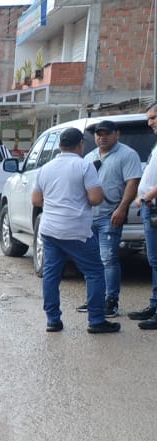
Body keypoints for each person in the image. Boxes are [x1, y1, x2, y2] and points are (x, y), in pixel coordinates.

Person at [32, 127, 119, 334]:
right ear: (80, 144)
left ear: (61, 145)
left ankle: (53, 320)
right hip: (76, 230)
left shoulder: (46, 167)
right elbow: (96, 199)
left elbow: (36, 200)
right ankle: (96, 320)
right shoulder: (84, 166)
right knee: (95, 272)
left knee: (52, 274)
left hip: (50, 229)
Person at [78, 119, 141, 318]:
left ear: (117, 134)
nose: (102, 137)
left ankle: (110, 301)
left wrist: (122, 209)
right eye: (98, 134)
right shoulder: (89, 157)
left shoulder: (127, 154)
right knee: (91, 261)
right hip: (89, 217)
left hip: (110, 215)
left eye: (106, 133)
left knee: (108, 259)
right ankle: (94, 300)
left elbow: (132, 184)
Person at [131, 102, 157, 330]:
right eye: (149, 118)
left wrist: (146, 197)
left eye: (154, 117)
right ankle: (154, 305)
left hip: (153, 207)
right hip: (150, 208)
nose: (150, 123)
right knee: (154, 261)